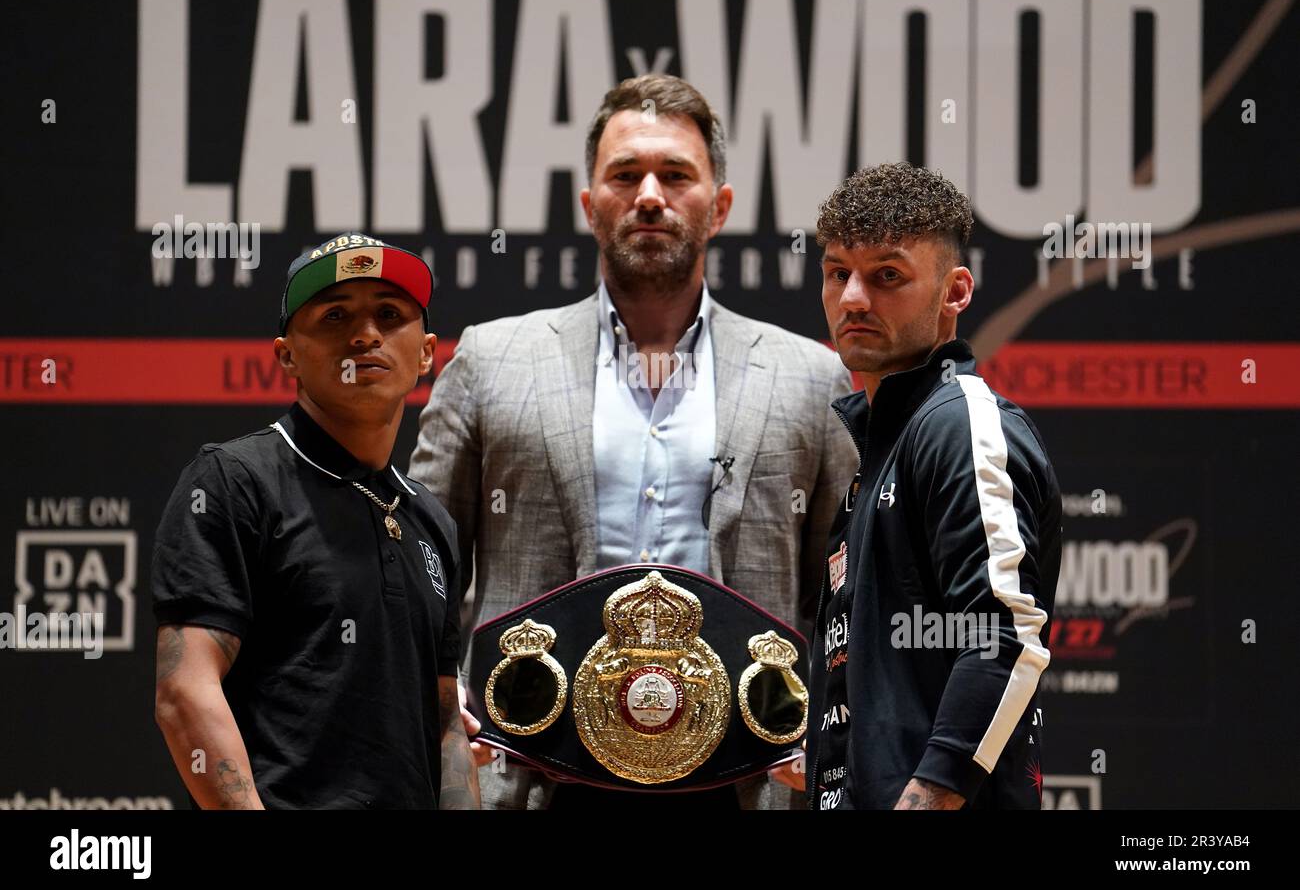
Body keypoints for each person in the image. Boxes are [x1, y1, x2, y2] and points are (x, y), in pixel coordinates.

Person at [409, 74, 857, 809]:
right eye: (625, 174)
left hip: (744, 783)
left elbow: (845, 601)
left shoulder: (811, 376)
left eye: (676, 174)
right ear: (590, 205)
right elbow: (419, 579)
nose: (650, 194)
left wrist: (832, 745)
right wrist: (442, 731)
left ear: (720, 206)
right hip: (535, 777)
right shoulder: (490, 363)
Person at [152, 234, 479, 809]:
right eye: (334, 315)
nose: (364, 334)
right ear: (286, 355)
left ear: (427, 353)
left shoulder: (432, 521)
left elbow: (447, 719)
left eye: (388, 313)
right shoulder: (234, 482)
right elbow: (185, 690)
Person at [805, 163, 1061, 810]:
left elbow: (1004, 636)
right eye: (839, 273)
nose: (854, 298)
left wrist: (931, 792)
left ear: (956, 292)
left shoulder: (958, 424)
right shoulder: (887, 441)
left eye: (886, 275)